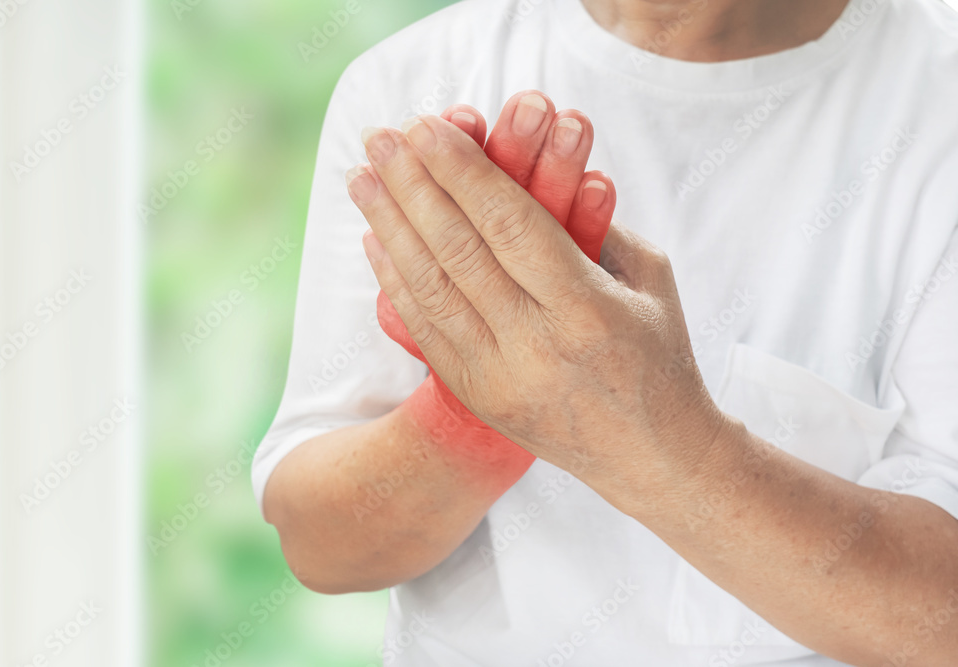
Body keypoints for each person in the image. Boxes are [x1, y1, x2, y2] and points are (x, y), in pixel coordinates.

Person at [253, 0, 958, 664]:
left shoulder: (935, 88)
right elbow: (321, 546)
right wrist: (475, 414)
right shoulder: (412, 83)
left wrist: (650, 435)